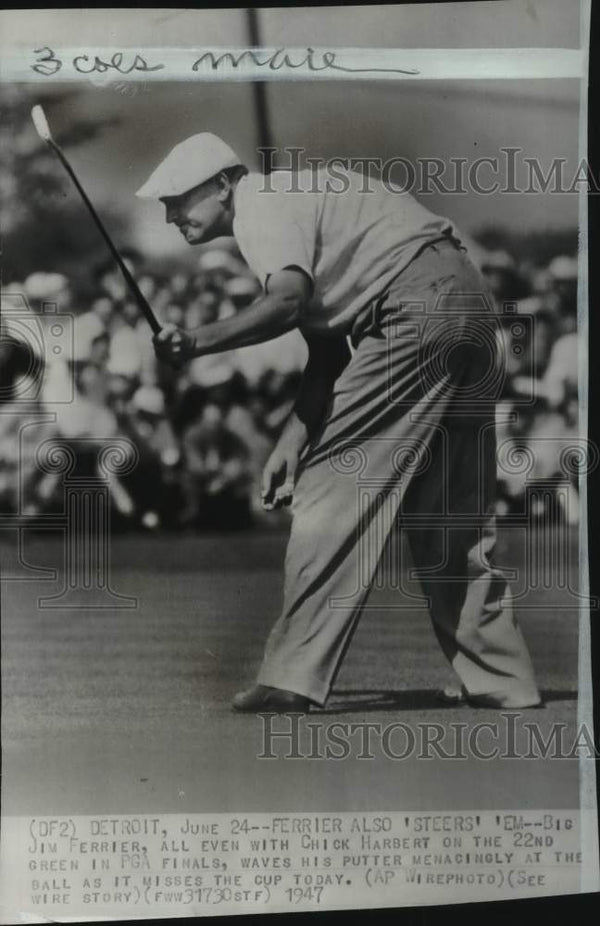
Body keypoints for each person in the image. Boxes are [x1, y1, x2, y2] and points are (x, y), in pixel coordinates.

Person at [137, 132, 541, 713]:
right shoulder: (294, 201)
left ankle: (293, 677)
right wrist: (292, 437)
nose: (171, 213)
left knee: (332, 486)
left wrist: (197, 341)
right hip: (470, 306)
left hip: (413, 309)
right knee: (448, 512)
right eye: (165, 203)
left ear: (225, 184)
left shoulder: (263, 207)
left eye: (179, 198)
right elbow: (327, 349)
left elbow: (286, 303)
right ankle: (502, 677)